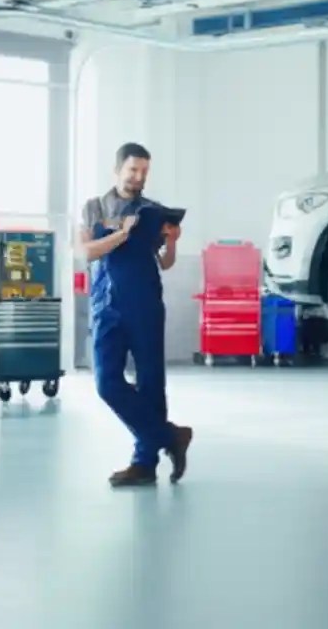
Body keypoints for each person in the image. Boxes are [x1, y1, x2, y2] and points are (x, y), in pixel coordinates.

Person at [80, 142, 192, 487]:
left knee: (151, 383)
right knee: (107, 383)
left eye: (144, 171)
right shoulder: (94, 208)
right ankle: (170, 436)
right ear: (117, 170)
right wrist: (123, 234)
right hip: (105, 306)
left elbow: (165, 263)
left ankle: (144, 463)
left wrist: (172, 241)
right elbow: (86, 251)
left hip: (144, 304)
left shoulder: (154, 211)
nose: (138, 177)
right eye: (133, 170)